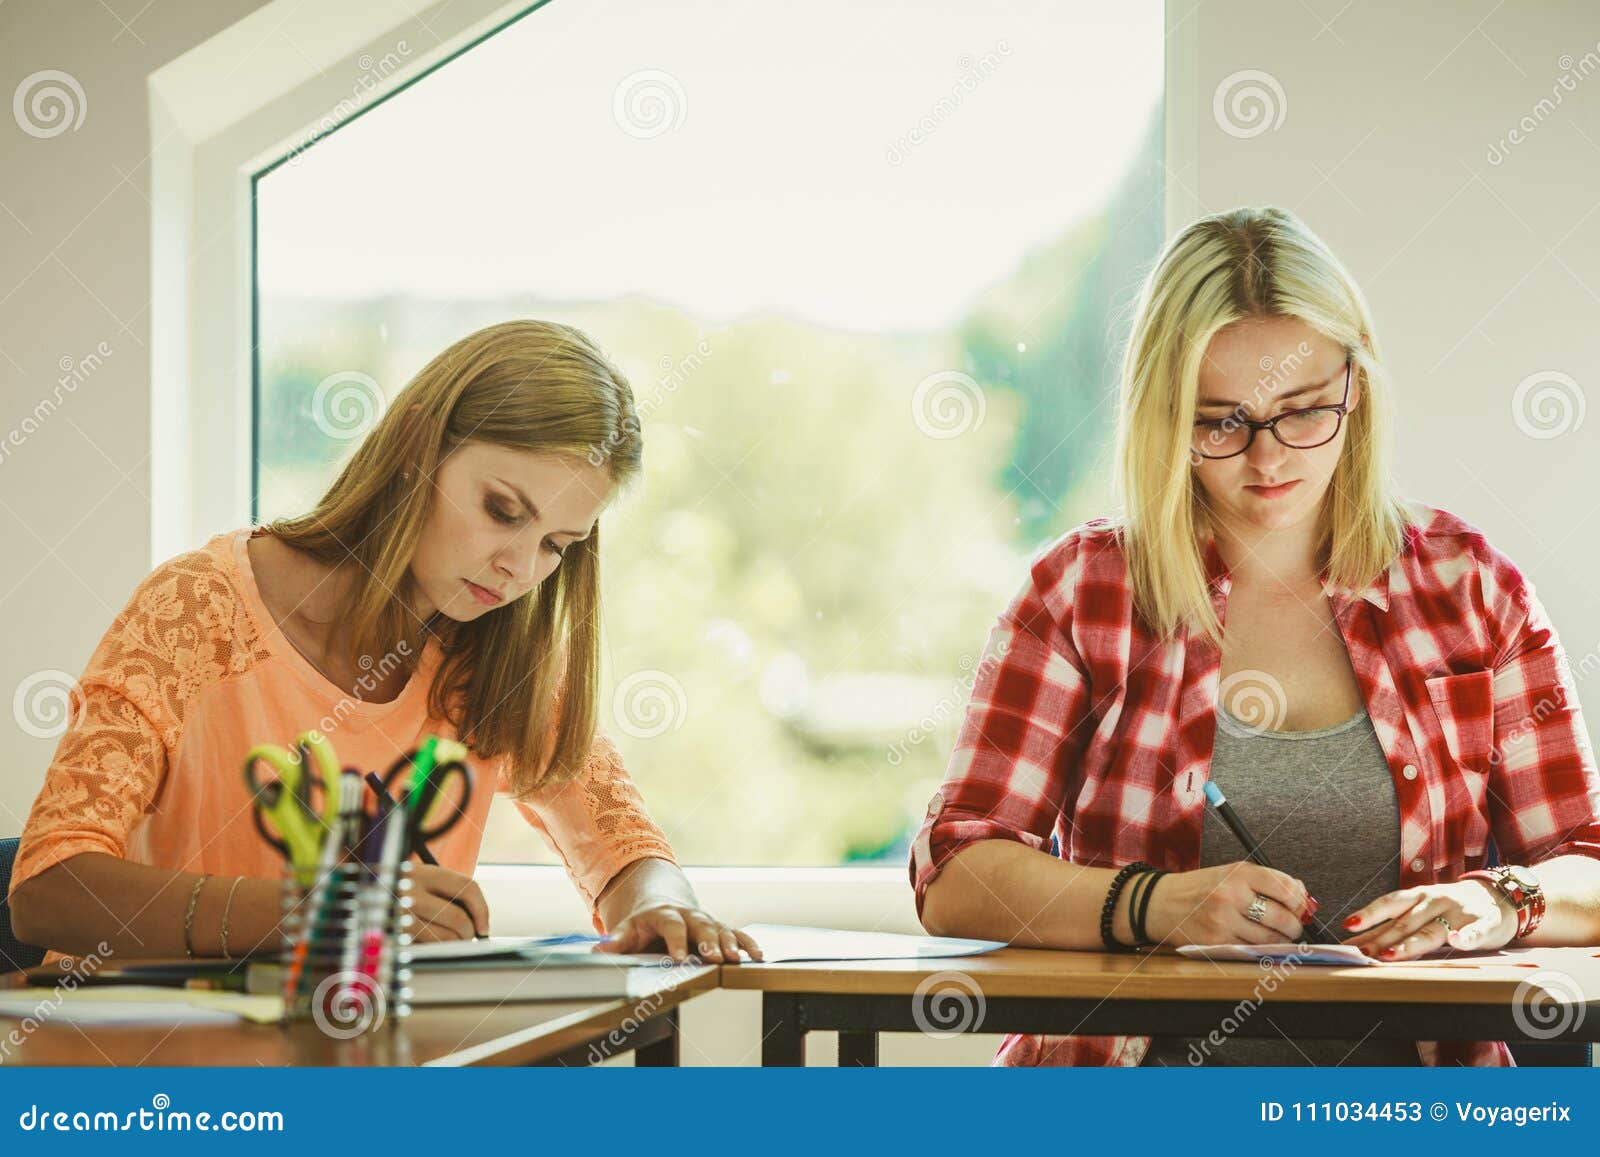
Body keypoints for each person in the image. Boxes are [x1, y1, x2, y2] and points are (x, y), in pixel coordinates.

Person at [911, 206, 1600, 1066]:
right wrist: (1153, 904)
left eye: (1306, 411)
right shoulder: (1085, 591)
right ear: (1163, 416)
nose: (1268, 459)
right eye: (1220, 422)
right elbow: (955, 869)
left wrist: (1499, 899)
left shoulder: (1470, 589)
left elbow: (1586, 863)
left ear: (1359, 389)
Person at [10, 319, 760, 967]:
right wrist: (323, 914)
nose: (520, 568)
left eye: (557, 544)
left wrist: (666, 905)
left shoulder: (502, 656)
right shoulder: (196, 607)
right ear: (417, 449)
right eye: (503, 510)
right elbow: (49, 886)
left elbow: (627, 853)